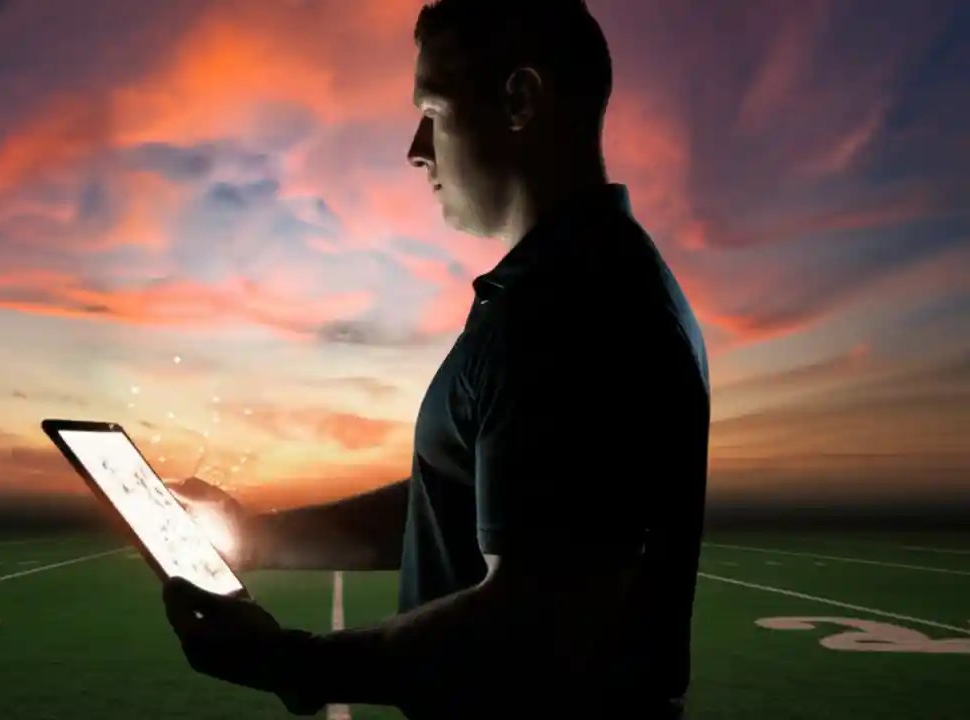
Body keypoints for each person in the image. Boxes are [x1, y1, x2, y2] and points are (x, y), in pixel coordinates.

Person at [161, 0, 711, 717]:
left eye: (434, 107)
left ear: (518, 100)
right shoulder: (573, 283)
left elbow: (536, 620)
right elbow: (466, 505)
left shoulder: (568, 307)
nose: (417, 147)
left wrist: (290, 663)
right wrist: (257, 535)